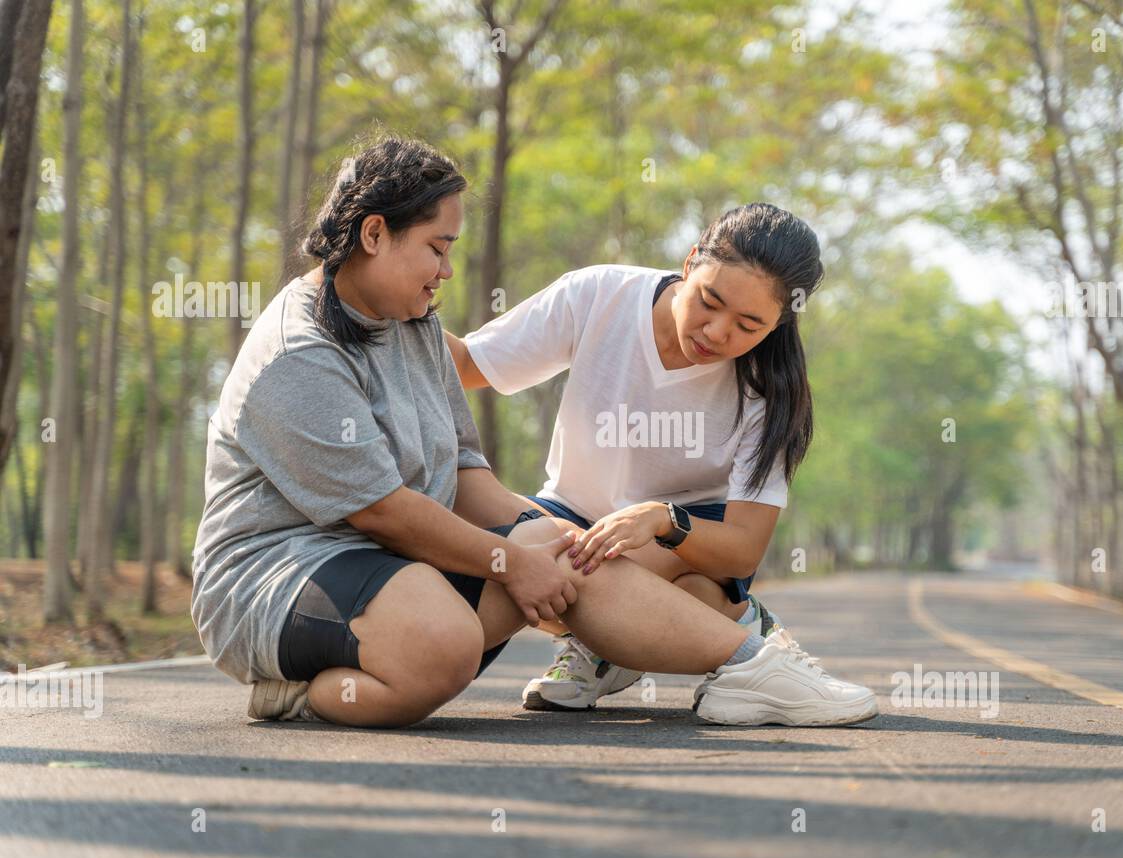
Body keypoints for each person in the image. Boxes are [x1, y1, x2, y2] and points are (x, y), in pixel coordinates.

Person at [189, 138, 879, 728]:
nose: (449, 270)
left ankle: (753, 663)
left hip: (394, 557)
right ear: (374, 235)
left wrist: (548, 543)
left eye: (749, 325)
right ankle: (304, 693)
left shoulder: (412, 321)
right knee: (446, 640)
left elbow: (464, 471)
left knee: (565, 552)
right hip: (279, 571)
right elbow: (382, 509)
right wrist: (510, 559)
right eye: (438, 248)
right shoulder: (301, 352)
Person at [445, 203, 831, 713]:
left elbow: (742, 550)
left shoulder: (770, 389)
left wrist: (662, 520)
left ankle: (610, 645)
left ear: (780, 321)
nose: (717, 332)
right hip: (566, 516)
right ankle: (655, 634)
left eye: (748, 324)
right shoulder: (600, 295)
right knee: (471, 524)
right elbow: (469, 365)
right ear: (691, 262)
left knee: (577, 569)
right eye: (709, 302)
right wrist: (379, 295)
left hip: (686, 538)